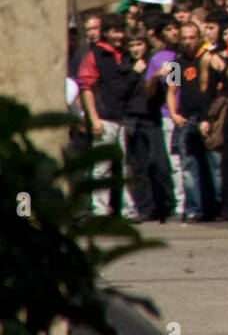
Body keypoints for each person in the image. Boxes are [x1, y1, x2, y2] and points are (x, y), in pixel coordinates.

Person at [167, 22, 228, 221]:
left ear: (199, 38)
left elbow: (224, 71)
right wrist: (173, 113)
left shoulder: (207, 57)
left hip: (208, 118)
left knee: (215, 166)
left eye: (191, 38)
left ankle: (218, 208)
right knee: (188, 168)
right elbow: (172, 91)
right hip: (186, 119)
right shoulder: (177, 63)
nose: (187, 42)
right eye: (184, 38)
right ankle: (194, 209)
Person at [77, 12, 138, 217]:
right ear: (106, 33)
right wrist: (93, 118)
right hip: (105, 117)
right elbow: (86, 87)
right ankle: (100, 209)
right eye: (115, 31)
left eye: (121, 31)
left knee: (126, 166)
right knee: (102, 167)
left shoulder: (127, 54)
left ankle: (129, 209)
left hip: (126, 117)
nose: (119, 35)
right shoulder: (94, 55)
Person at [123, 20, 175, 224]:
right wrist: (134, 72)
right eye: (132, 45)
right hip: (132, 119)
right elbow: (120, 92)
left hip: (153, 118)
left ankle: (166, 205)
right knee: (139, 167)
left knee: (159, 164)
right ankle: (145, 208)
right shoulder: (127, 65)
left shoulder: (157, 60)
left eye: (139, 44)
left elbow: (172, 83)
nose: (136, 49)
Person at [144, 12, 184, 216]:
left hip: (192, 112)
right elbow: (149, 92)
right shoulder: (159, 59)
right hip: (170, 113)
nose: (174, 32)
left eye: (176, 27)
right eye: (168, 29)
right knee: (176, 162)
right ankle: (181, 203)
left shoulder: (185, 52)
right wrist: (156, 76)